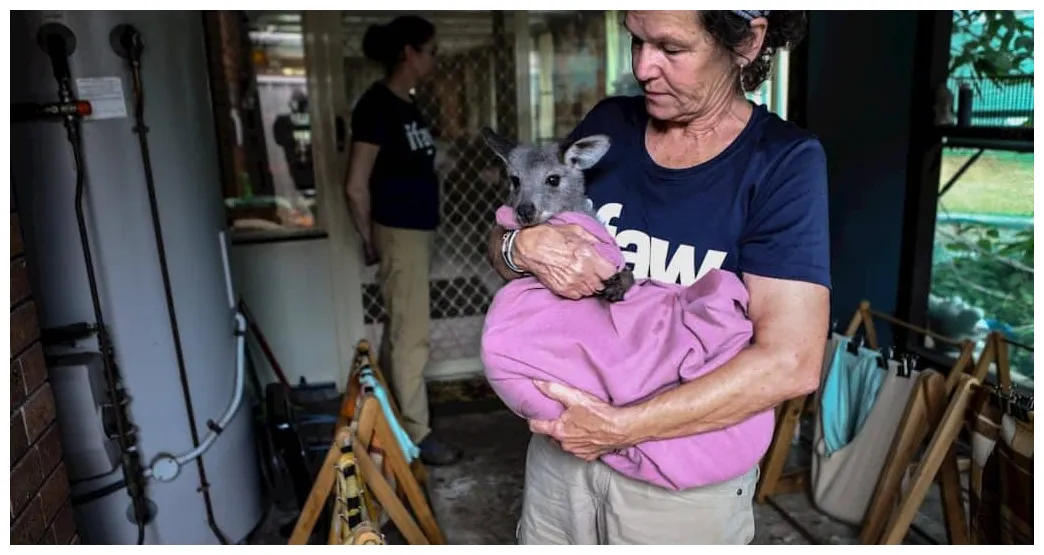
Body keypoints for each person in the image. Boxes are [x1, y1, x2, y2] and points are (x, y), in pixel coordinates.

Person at [486, 10, 830, 544]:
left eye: (671, 48)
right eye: (636, 41)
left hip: (679, 472)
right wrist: (521, 246)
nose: (643, 67)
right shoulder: (610, 125)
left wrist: (619, 428)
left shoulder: (782, 163)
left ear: (746, 42)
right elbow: (510, 236)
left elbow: (792, 363)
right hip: (563, 455)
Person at [345, 15, 459, 466]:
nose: (435, 59)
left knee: (402, 331)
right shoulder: (377, 107)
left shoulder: (406, 104)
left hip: (414, 230)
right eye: (431, 51)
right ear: (409, 53)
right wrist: (369, 238)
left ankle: (394, 420)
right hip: (398, 232)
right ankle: (416, 435)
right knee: (412, 336)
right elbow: (355, 184)